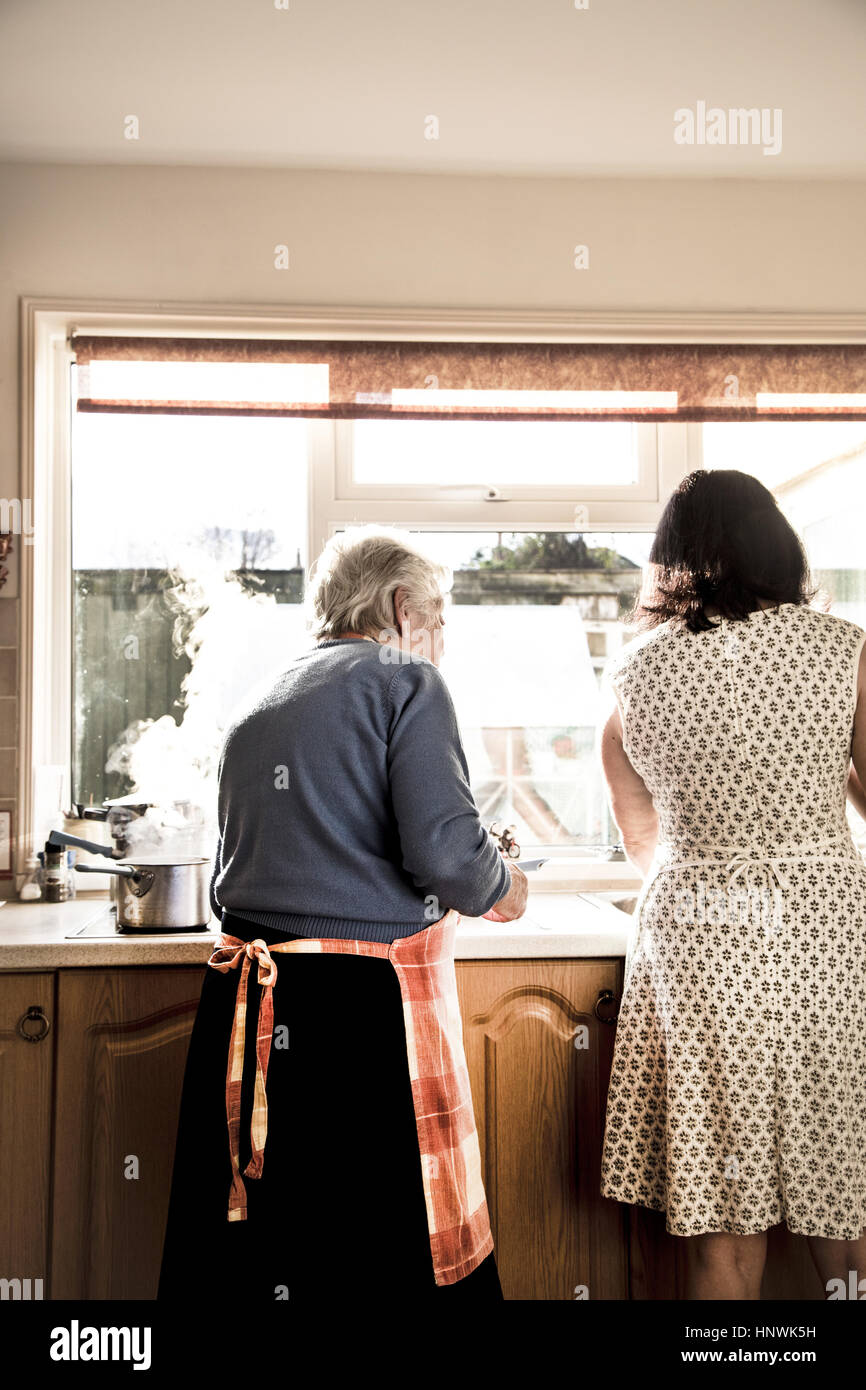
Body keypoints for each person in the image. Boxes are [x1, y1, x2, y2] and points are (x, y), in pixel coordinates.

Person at [158, 525, 528, 1303]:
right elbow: (448, 857)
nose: (443, 642)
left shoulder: (259, 702)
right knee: (376, 1262)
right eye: (439, 618)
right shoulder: (406, 680)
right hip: (356, 1022)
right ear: (401, 607)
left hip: (246, 1004)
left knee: (273, 1249)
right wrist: (508, 884)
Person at [599, 469, 866, 1300]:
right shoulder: (844, 649)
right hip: (826, 926)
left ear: (669, 561)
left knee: (723, 1211)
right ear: (776, 544)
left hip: (697, 934)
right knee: (843, 1188)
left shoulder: (634, 676)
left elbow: (640, 829)